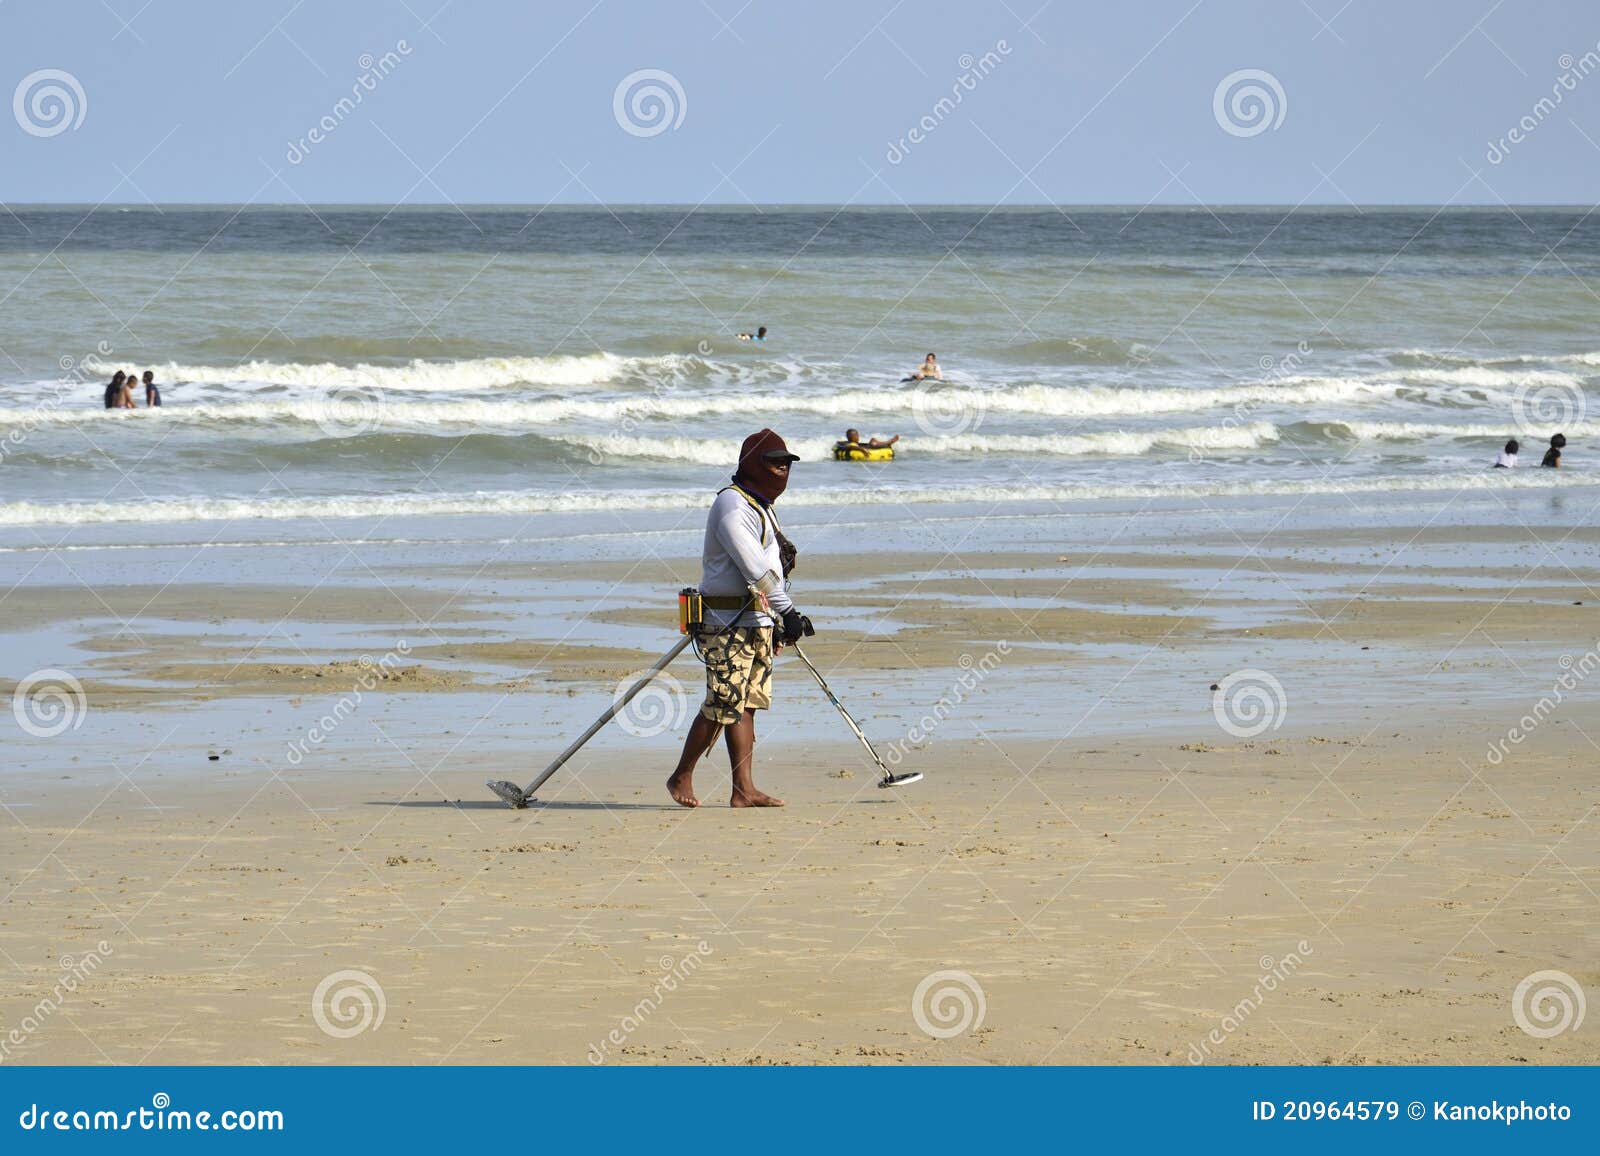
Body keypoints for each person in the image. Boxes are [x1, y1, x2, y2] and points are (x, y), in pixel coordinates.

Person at [667, 428, 809, 809]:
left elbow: (772, 570)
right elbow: (754, 568)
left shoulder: (762, 507)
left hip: (757, 620)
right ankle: (681, 774)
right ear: (752, 465)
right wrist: (788, 611)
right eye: (774, 463)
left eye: (786, 464)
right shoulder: (731, 505)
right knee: (723, 701)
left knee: (747, 703)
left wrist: (777, 619)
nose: (782, 470)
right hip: (725, 622)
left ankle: (743, 790)